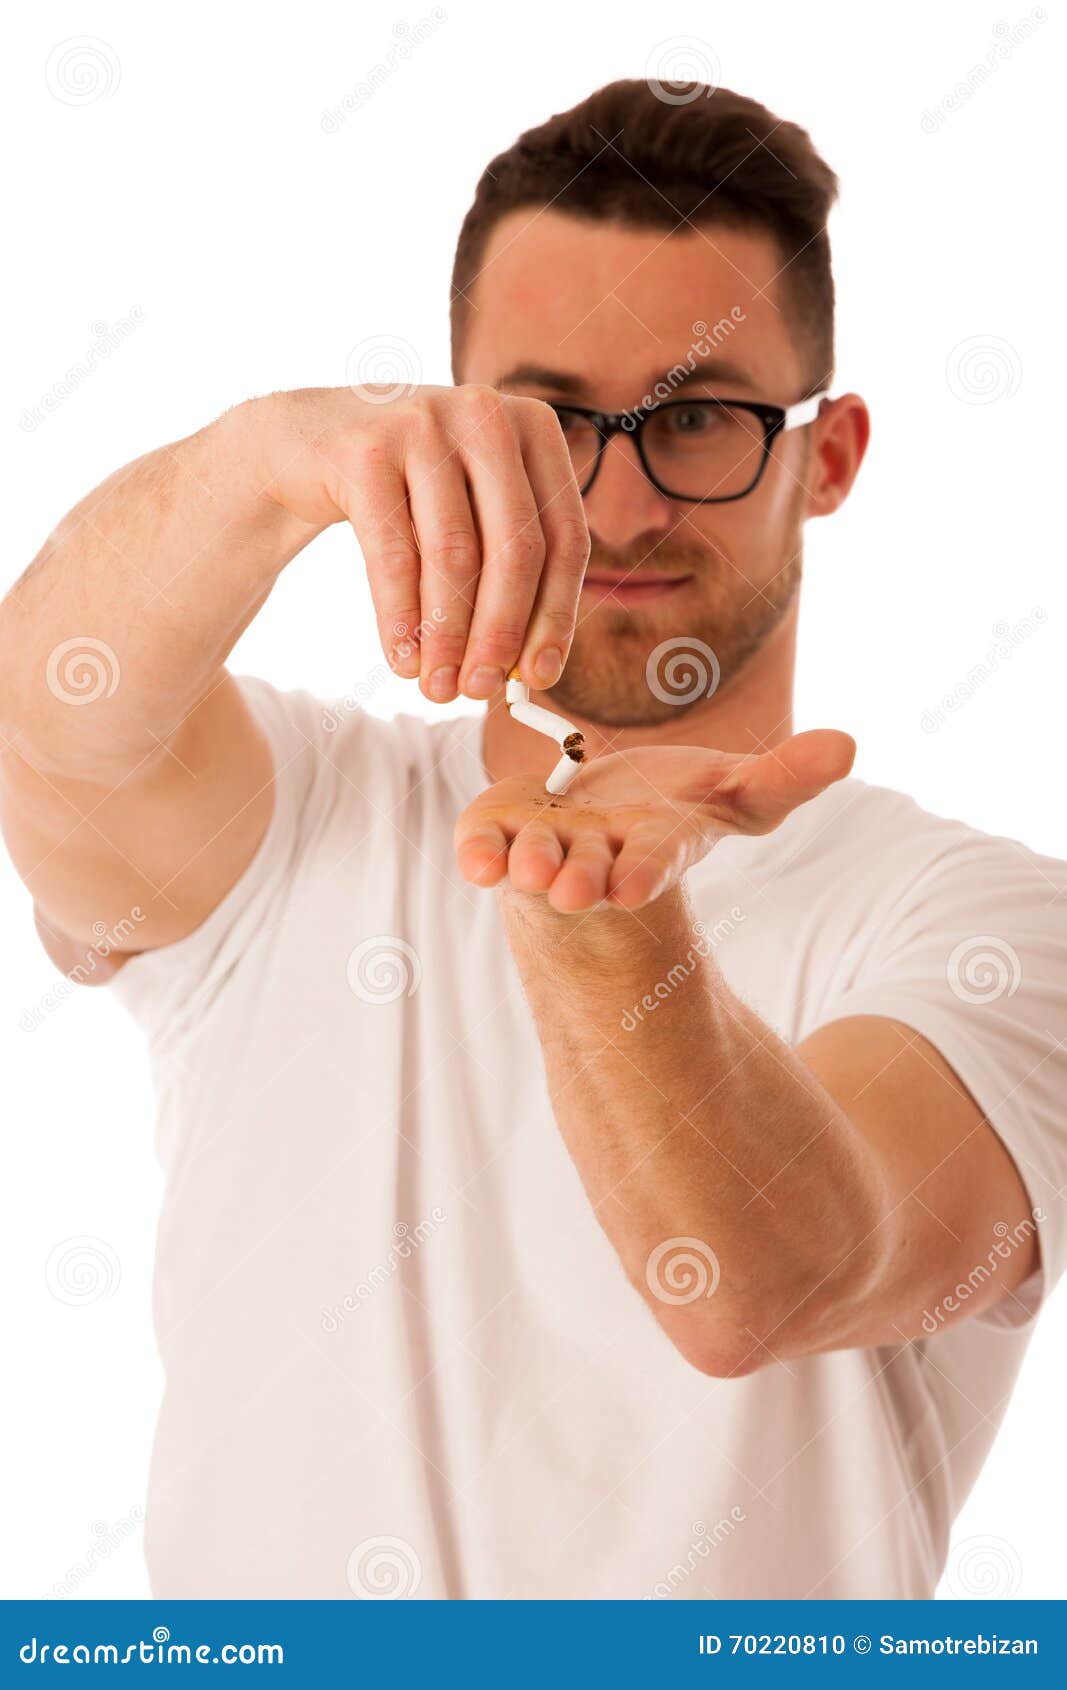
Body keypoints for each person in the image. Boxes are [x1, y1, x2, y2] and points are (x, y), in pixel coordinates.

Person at [1, 78, 1064, 1601]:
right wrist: (270, 460)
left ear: (827, 459)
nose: (619, 497)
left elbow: (771, 1271)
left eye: (698, 416)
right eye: (552, 420)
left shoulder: (991, 921)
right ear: (445, 425)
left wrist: (601, 932)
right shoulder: (292, 815)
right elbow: (40, 716)